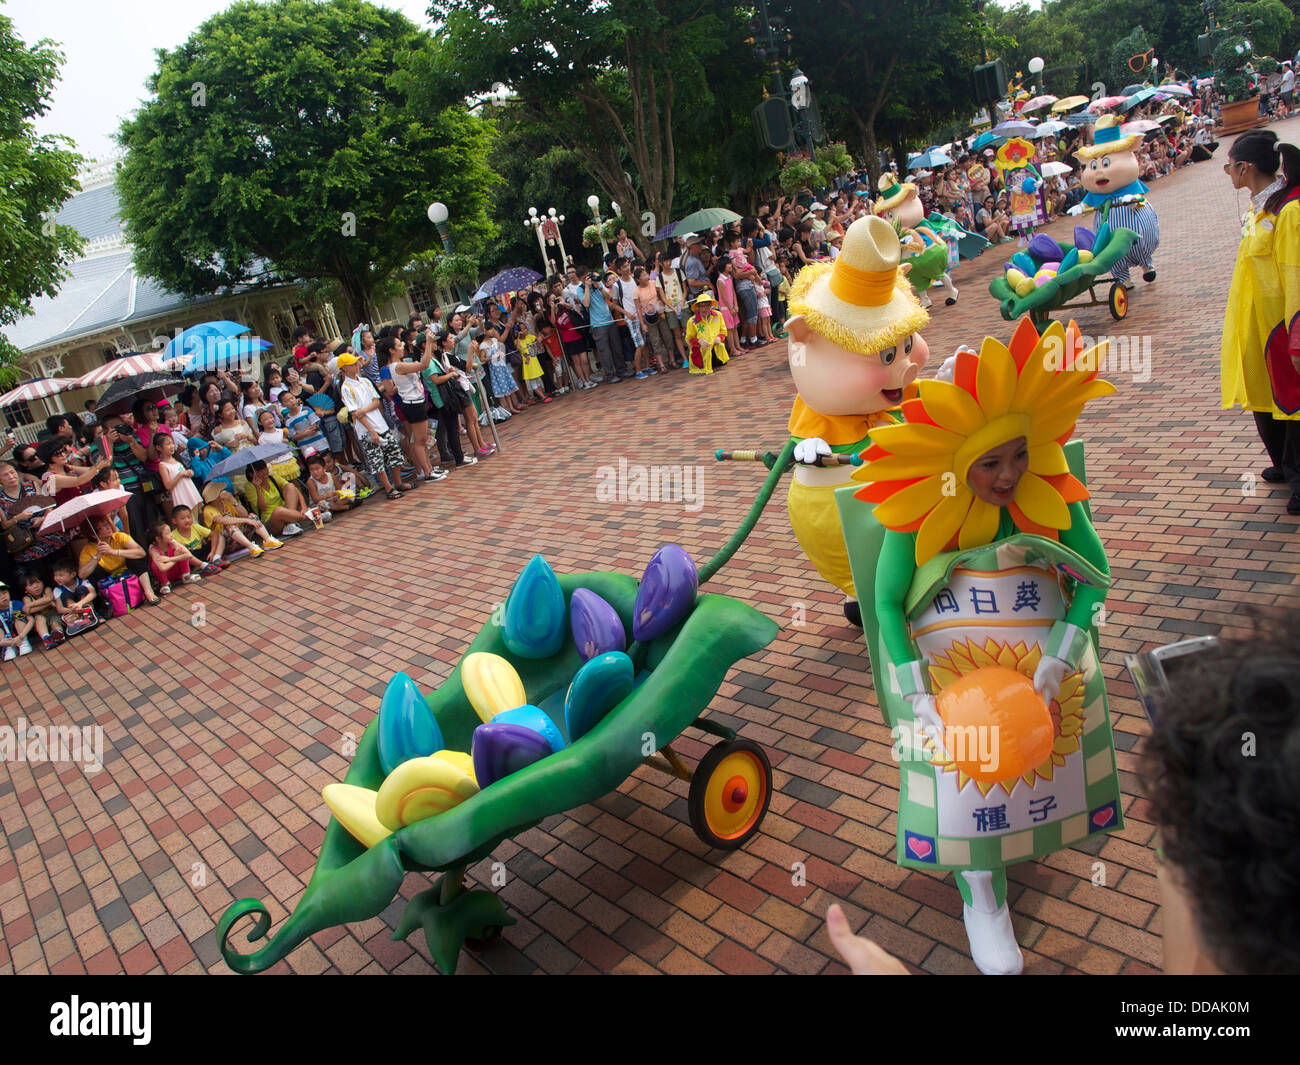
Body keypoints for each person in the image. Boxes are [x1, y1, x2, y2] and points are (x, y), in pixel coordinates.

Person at [851, 319, 1122, 975]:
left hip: (1042, 677)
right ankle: (982, 892)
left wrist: (1066, 642)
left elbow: (1096, 575)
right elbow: (884, 602)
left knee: (1044, 760)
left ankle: (1026, 832)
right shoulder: (922, 505)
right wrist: (912, 686)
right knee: (965, 778)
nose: (1008, 477)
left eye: (1018, 456)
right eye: (990, 464)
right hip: (946, 681)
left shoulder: (1047, 488)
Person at [1220, 130, 1300, 514]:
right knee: (1267, 396)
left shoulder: (1289, 212)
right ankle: (1286, 466)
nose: (1227, 172)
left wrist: (1297, 332)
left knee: (1293, 401)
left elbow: (1294, 274)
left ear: (1245, 168)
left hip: (1282, 327)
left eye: (1230, 166)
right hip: (1257, 324)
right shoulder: (1259, 207)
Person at [337, 353, 410, 499]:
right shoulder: (346, 388)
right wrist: (371, 430)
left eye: (356, 363)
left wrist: (364, 410)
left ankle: (398, 482)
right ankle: (388, 488)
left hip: (380, 423)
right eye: (352, 364)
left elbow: (376, 401)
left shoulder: (364, 381)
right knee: (377, 460)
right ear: (344, 368)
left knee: (394, 452)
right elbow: (355, 413)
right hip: (366, 429)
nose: (356, 365)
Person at [383, 333, 441, 481]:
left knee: (422, 439)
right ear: (391, 350)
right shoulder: (397, 366)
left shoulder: (399, 364)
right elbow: (424, 365)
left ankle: (429, 468)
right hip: (412, 404)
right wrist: (428, 343)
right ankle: (427, 472)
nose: (402, 347)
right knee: (419, 440)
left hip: (416, 402)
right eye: (399, 345)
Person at [78, 514, 162, 605]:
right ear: (93, 535)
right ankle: (105, 604)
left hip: (129, 571)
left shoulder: (119, 536)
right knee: (93, 571)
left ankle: (149, 592)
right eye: (102, 527)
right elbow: (82, 574)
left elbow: (141, 552)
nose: (108, 527)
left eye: (107, 524)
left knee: (136, 558)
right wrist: (97, 556)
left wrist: (114, 551)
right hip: (109, 579)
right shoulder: (88, 549)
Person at [200, 481, 278, 554]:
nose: (222, 491)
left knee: (251, 516)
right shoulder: (208, 509)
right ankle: (251, 547)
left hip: (241, 536)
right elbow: (223, 520)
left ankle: (268, 540)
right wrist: (246, 521)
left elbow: (245, 515)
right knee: (229, 526)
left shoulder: (227, 502)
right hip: (226, 543)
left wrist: (234, 501)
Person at [242, 459, 314, 535]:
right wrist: (258, 488)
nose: (264, 472)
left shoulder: (272, 477)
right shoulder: (249, 486)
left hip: (287, 512)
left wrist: (304, 507)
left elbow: (294, 489)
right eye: (260, 470)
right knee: (278, 510)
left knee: (290, 486)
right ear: (252, 474)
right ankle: (312, 515)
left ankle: (291, 523)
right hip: (270, 521)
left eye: (265, 468)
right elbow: (263, 508)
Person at [171, 503, 231, 570]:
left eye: (189, 517)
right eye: (182, 518)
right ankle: (204, 566)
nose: (187, 520)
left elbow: (213, 534)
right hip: (190, 558)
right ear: (174, 521)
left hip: (201, 552)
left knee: (220, 536)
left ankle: (216, 559)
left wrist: (212, 551)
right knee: (183, 553)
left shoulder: (195, 527)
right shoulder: (172, 535)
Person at [50, 557, 100, 635]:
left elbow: (93, 593)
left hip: (85, 608)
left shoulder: (82, 581)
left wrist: (80, 604)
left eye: (61, 575)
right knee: (65, 594)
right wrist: (73, 609)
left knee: (81, 589)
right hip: (72, 614)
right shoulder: (57, 590)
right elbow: (59, 609)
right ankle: (78, 622)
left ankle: (91, 616)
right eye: (55, 576)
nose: (57, 578)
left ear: (73, 574)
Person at [684, 292, 729, 374]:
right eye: (701, 306)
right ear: (698, 307)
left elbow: (723, 331)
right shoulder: (692, 321)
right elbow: (688, 339)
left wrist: (719, 337)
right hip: (702, 357)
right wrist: (699, 341)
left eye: (706, 305)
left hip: (718, 354)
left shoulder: (718, 315)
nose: (704, 309)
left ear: (710, 306)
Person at [21, 570, 64, 648]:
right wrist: (48, 603)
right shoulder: (27, 598)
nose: (36, 586)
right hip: (39, 621)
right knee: (39, 618)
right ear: (25, 590)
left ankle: (58, 635)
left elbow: (49, 598)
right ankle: (46, 638)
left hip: (52, 614)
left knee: (55, 621)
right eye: (31, 585)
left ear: (43, 583)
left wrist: (30, 604)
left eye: (38, 582)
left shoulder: (47, 590)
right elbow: (30, 611)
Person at [0, 579, 35, 660]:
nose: (3, 596)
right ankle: (8, 649)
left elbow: (31, 620)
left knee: (18, 616)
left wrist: (21, 636)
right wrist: (5, 643)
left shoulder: (16, 604)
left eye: (4, 593)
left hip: (21, 634)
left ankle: (23, 643)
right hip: (6, 640)